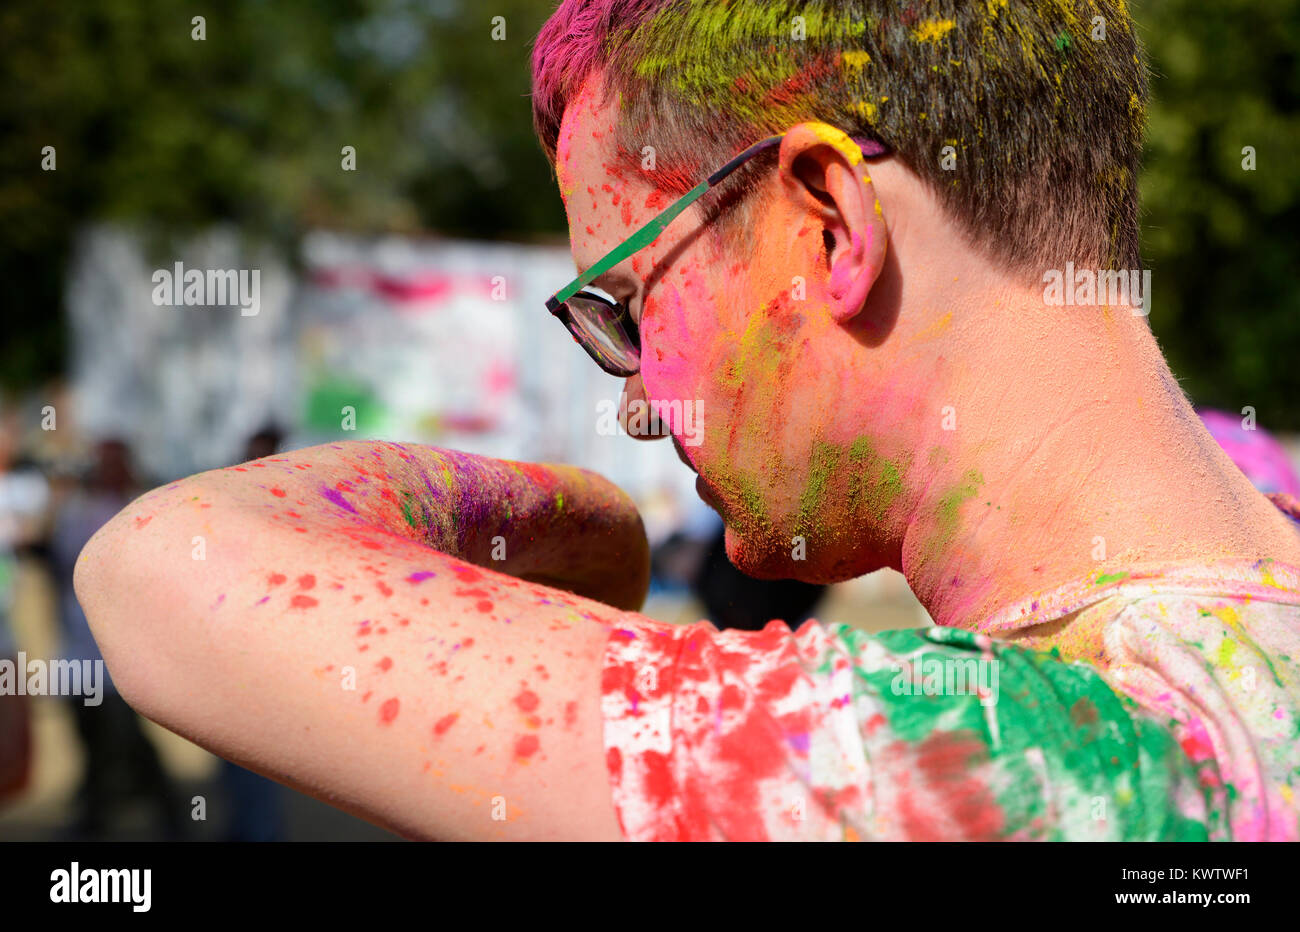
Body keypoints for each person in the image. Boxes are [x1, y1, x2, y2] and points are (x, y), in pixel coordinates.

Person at [75, 2, 1300, 840]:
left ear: (827, 222)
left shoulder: (1021, 761)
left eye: (621, 303)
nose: (635, 397)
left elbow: (161, 566)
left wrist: (581, 527)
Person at [51, 439, 185, 838]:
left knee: (127, 743)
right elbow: (59, 572)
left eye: (116, 463)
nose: (109, 470)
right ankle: (99, 817)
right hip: (78, 655)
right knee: (91, 742)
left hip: (118, 660)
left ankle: (166, 816)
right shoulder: (74, 513)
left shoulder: (141, 512)